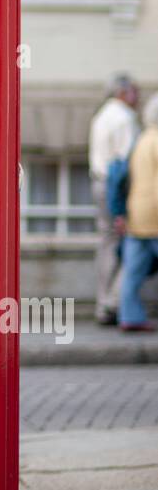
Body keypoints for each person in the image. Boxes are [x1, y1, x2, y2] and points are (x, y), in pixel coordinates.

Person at [88, 73, 139, 325]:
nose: (137, 96)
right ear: (123, 92)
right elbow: (127, 162)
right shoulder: (125, 118)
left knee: (107, 242)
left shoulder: (101, 115)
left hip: (98, 181)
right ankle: (113, 302)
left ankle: (104, 302)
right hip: (116, 186)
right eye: (134, 91)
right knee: (128, 241)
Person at [119, 92, 158, 332]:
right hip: (155, 214)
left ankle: (130, 316)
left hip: (136, 212)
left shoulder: (141, 139)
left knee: (132, 273)